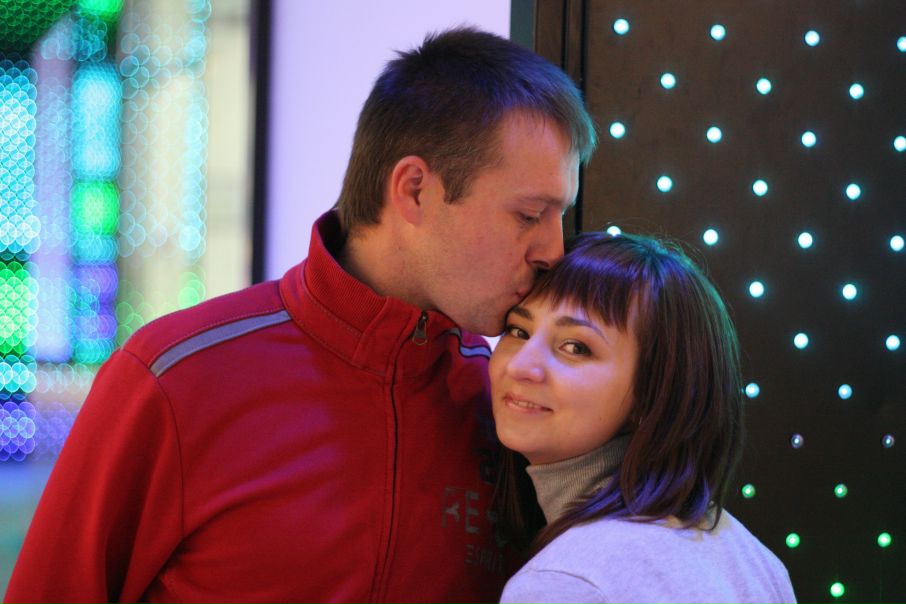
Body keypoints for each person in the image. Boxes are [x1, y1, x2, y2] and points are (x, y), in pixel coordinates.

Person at [4, 28, 596, 604]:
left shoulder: (503, 399)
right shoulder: (174, 379)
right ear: (415, 190)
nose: (554, 250)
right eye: (529, 215)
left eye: (559, 216)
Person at [490, 231, 797, 603]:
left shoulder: (568, 581)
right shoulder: (752, 559)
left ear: (655, 393)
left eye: (575, 347)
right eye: (519, 331)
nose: (521, 366)